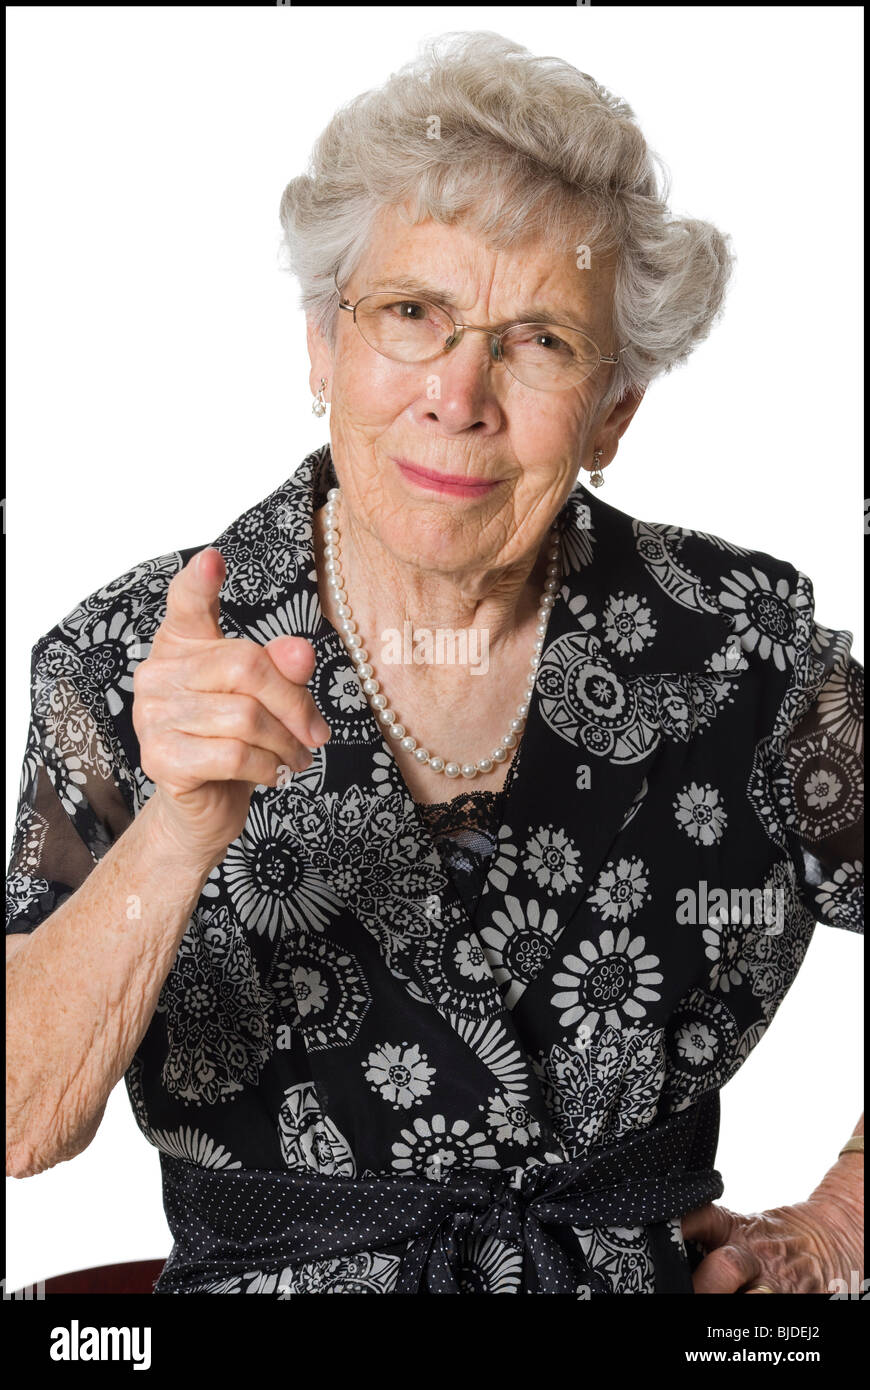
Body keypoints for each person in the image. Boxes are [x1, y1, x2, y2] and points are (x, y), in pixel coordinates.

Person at [6, 31, 863, 1295]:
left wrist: (839, 1225)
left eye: (540, 342)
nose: (458, 394)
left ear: (615, 410)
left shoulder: (746, 653)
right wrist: (179, 827)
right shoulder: (128, 656)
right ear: (322, 345)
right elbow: (22, 1115)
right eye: (413, 313)